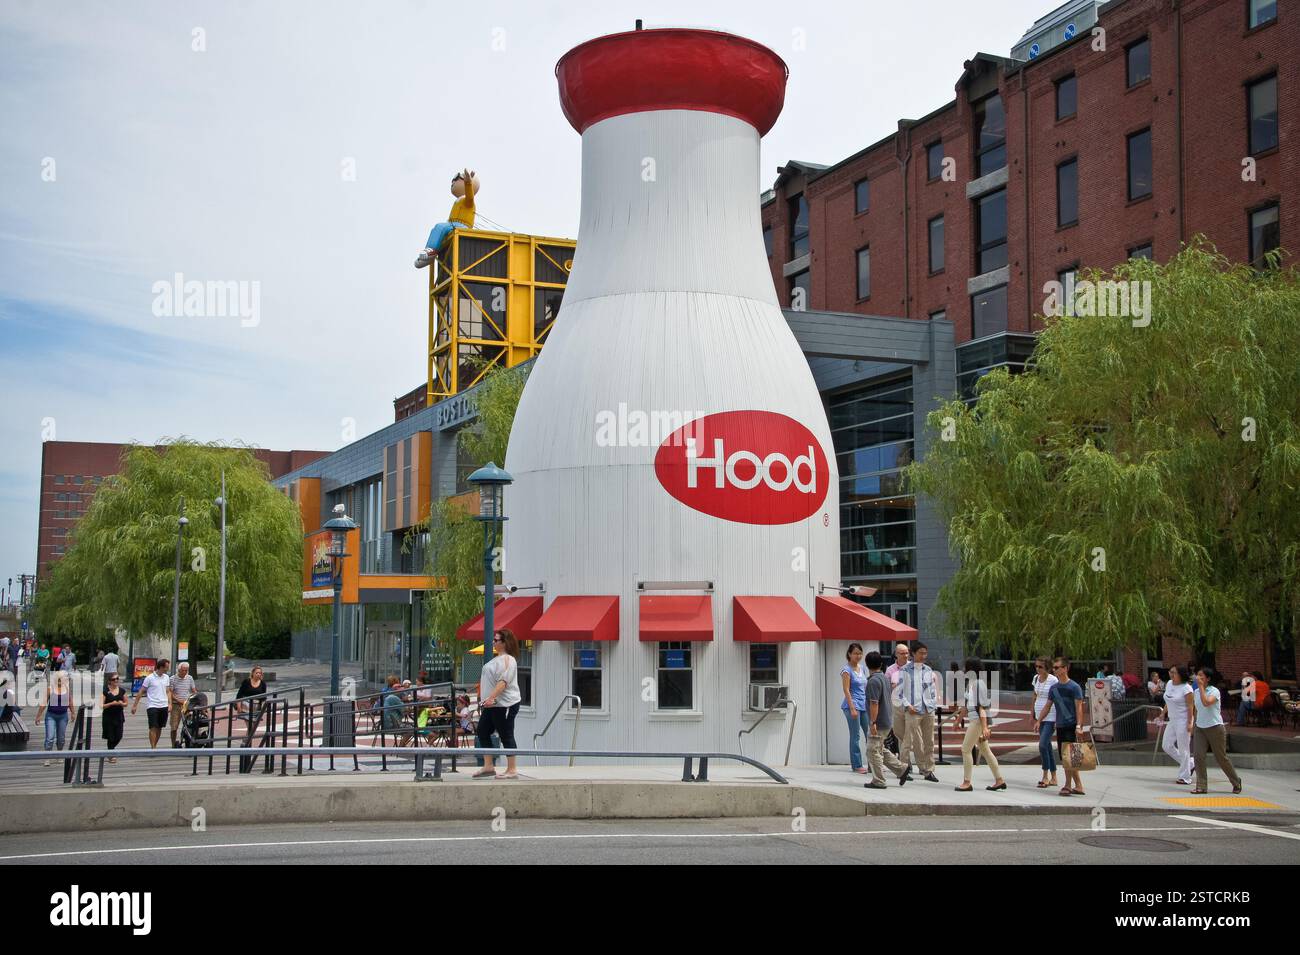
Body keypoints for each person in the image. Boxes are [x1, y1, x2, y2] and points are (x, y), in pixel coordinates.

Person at [474, 628, 521, 779]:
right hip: (491, 704)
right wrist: (484, 699)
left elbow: (503, 681)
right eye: (493, 640)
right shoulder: (495, 660)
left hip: (504, 704)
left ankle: (512, 769)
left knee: (506, 734)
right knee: (482, 731)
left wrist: (491, 697)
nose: (493, 642)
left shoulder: (509, 660)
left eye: (496, 640)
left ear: (505, 642)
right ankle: (488, 766)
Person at [954, 658, 1005, 792]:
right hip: (975, 720)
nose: (963, 670)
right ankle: (999, 780)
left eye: (965, 667)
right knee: (986, 751)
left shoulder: (978, 684)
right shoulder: (970, 683)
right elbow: (966, 706)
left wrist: (985, 727)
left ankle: (967, 782)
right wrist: (958, 721)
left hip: (977, 721)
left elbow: (982, 707)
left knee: (965, 749)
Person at [863, 651, 910, 788]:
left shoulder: (873, 681)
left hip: (879, 721)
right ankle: (901, 768)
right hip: (887, 719)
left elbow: (874, 703)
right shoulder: (884, 678)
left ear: (867, 665)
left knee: (872, 750)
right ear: (881, 664)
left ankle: (879, 780)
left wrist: (872, 722)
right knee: (879, 748)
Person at [415, 168, 479, 268]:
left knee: (440, 227)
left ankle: (431, 252)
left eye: (457, 178)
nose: (453, 181)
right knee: (439, 230)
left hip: (462, 226)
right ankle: (431, 251)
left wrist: (468, 183)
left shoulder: (468, 200)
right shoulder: (458, 200)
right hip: (453, 224)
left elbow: (470, 197)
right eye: (452, 179)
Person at [1191, 667, 1242, 794]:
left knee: (1220, 757)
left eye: (1202, 676)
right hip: (1200, 727)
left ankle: (1235, 781)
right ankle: (1201, 785)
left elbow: (1206, 703)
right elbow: (1196, 709)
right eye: (1198, 675)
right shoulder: (1196, 692)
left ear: (1208, 679)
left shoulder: (1214, 691)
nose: (1199, 678)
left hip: (1215, 727)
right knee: (1198, 756)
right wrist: (1193, 725)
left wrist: (1202, 687)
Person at [897, 642, 939, 781]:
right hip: (913, 710)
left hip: (928, 709)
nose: (923, 656)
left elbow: (932, 689)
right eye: (921, 653)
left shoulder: (928, 669)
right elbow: (899, 692)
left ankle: (928, 770)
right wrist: (908, 706)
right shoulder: (904, 670)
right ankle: (903, 768)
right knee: (908, 742)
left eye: (925, 653)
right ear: (913, 653)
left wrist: (933, 704)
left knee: (929, 742)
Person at [1049, 657, 1086, 796]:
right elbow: (1048, 706)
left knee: (1069, 757)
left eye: (1057, 667)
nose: (1055, 670)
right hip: (1060, 725)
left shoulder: (1074, 687)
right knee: (1066, 757)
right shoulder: (1054, 688)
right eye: (1054, 668)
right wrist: (1039, 719)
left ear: (1065, 668)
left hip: (1071, 725)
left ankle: (1068, 785)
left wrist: (1078, 726)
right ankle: (1079, 786)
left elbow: (1079, 708)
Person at [1158, 664, 1195, 785]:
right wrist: (1163, 713)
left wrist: (1190, 723)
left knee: (1184, 748)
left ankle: (1185, 777)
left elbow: (1191, 707)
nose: (1171, 674)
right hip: (1172, 720)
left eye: (1174, 673)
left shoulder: (1187, 688)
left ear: (1181, 675)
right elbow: (1169, 700)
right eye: (1171, 672)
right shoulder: (1169, 684)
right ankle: (1190, 764)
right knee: (1166, 745)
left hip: (1183, 720)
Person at [839, 643, 870, 774]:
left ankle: (873, 763)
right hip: (852, 705)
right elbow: (846, 689)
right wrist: (852, 708)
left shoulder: (862, 668)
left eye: (860, 653)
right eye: (855, 653)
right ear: (849, 654)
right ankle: (857, 764)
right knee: (855, 735)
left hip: (864, 705)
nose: (858, 656)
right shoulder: (846, 670)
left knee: (870, 734)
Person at [35, 669, 75, 766]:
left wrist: (73, 713)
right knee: (50, 737)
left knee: (61, 738)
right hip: (51, 716)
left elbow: (70, 702)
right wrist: (38, 715)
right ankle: (47, 756)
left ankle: (59, 753)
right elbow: (44, 703)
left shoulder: (67, 689)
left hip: (63, 716)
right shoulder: (50, 689)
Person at [130, 659, 171, 749]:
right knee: (153, 727)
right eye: (166, 667)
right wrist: (135, 705)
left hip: (163, 705)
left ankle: (155, 745)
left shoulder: (166, 677)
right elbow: (141, 691)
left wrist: (170, 704)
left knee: (160, 727)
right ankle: (152, 747)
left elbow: (168, 691)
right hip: (153, 705)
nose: (167, 669)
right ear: (161, 667)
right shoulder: (150, 678)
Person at [1031, 656, 1058, 789]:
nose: (1038, 669)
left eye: (1040, 667)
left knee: (1042, 745)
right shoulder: (1036, 678)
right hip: (1039, 715)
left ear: (1047, 667)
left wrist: (1057, 720)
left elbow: (1057, 700)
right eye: (1036, 666)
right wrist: (1032, 715)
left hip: (1051, 716)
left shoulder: (1053, 680)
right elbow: (1034, 696)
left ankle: (1045, 775)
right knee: (1047, 746)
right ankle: (1054, 776)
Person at [168, 662, 196, 747]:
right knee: (174, 726)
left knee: (190, 723)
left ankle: (189, 740)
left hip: (187, 704)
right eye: (183, 670)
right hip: (176, 704)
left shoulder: (189, 678)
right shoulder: (173, 678)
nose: (184, 672)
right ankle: (173, 744)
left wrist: (195, 697)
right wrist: (178, 700)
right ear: (179, 670)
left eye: (186, 671)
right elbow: (170, 693)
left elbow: (193, 690)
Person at [101, 673, 128, 761]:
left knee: (119, 736)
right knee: (110, 736)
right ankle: (111, 754)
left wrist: (121, 703)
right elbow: (101, 705)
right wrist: (111, 704)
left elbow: (126, 703)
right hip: (108, 716)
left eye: (117, 678)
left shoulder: (122, 690)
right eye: (113, 679)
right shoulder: (105, 691)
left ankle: (110, 751)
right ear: (109, 681)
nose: (116, 680)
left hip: (119, 716)